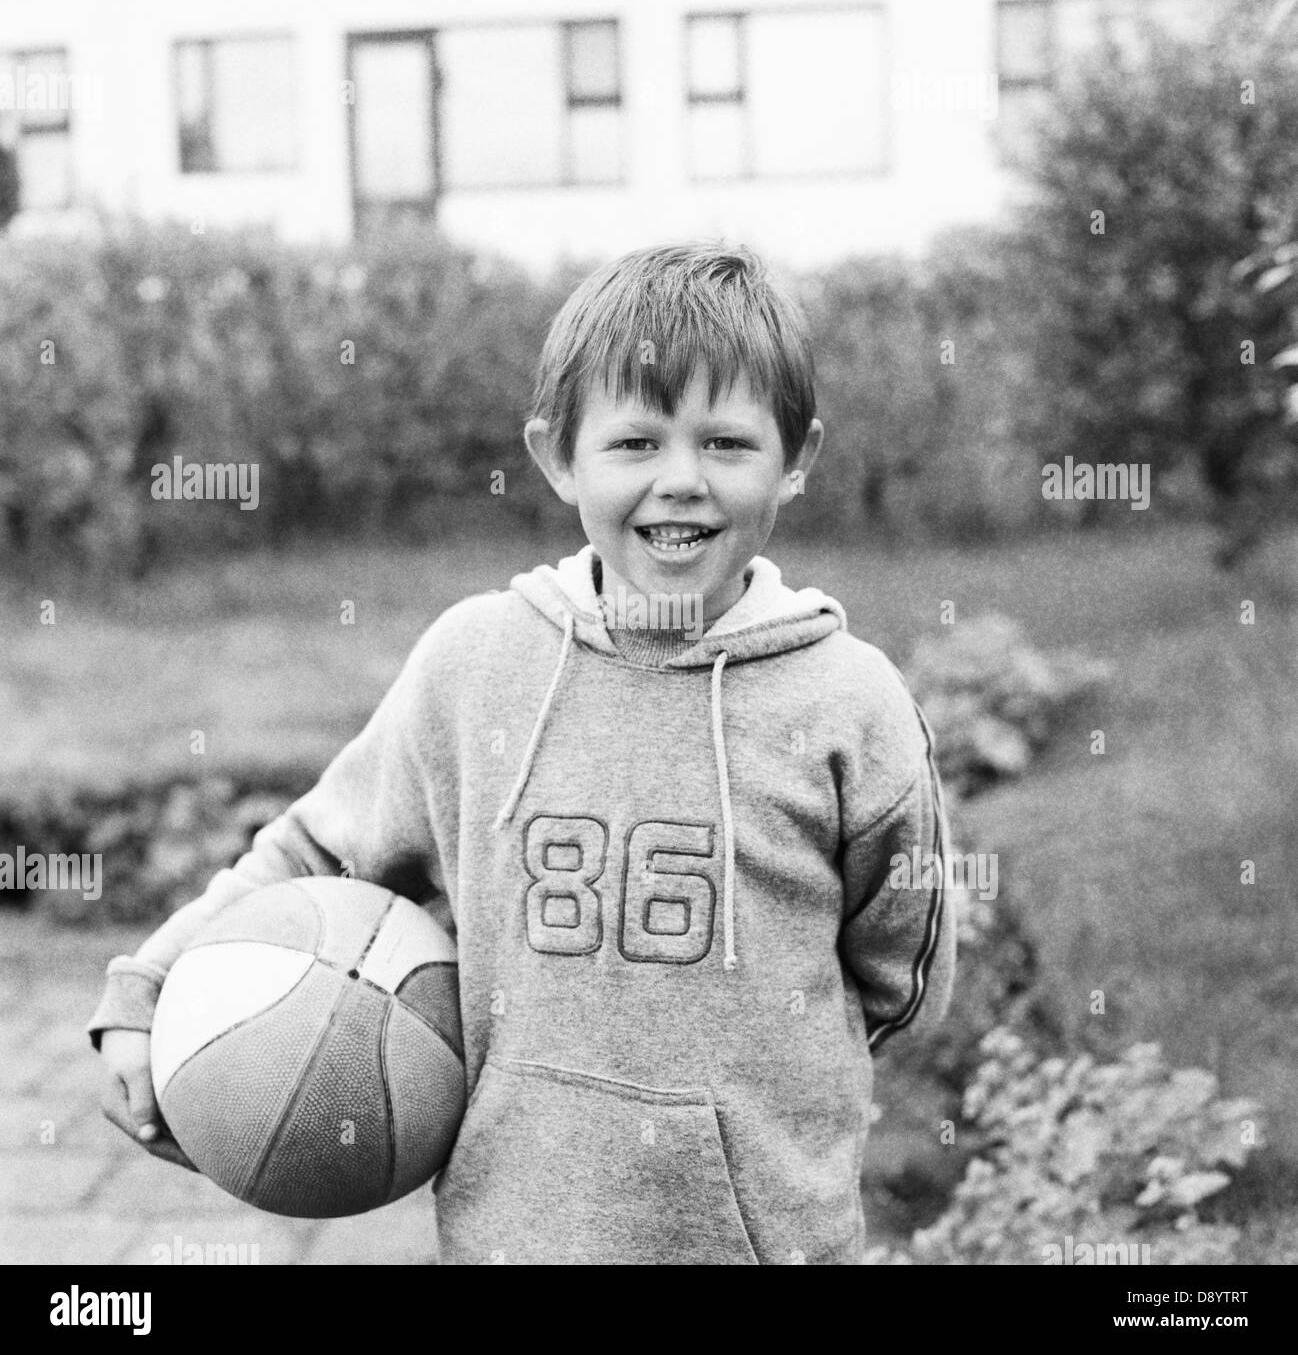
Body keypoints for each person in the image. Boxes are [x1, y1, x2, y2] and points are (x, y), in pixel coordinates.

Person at [89, 240, 956, 1263]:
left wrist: (749, 1095)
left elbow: (899, 972)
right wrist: (151, 990)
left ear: (797, 457)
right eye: (634, 442)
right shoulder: (476, 664)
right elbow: (316, 852)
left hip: (766, 1239)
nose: (680, 482)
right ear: (555, 455)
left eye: (726, 443)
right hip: (515, 1232)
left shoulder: (849, 701)